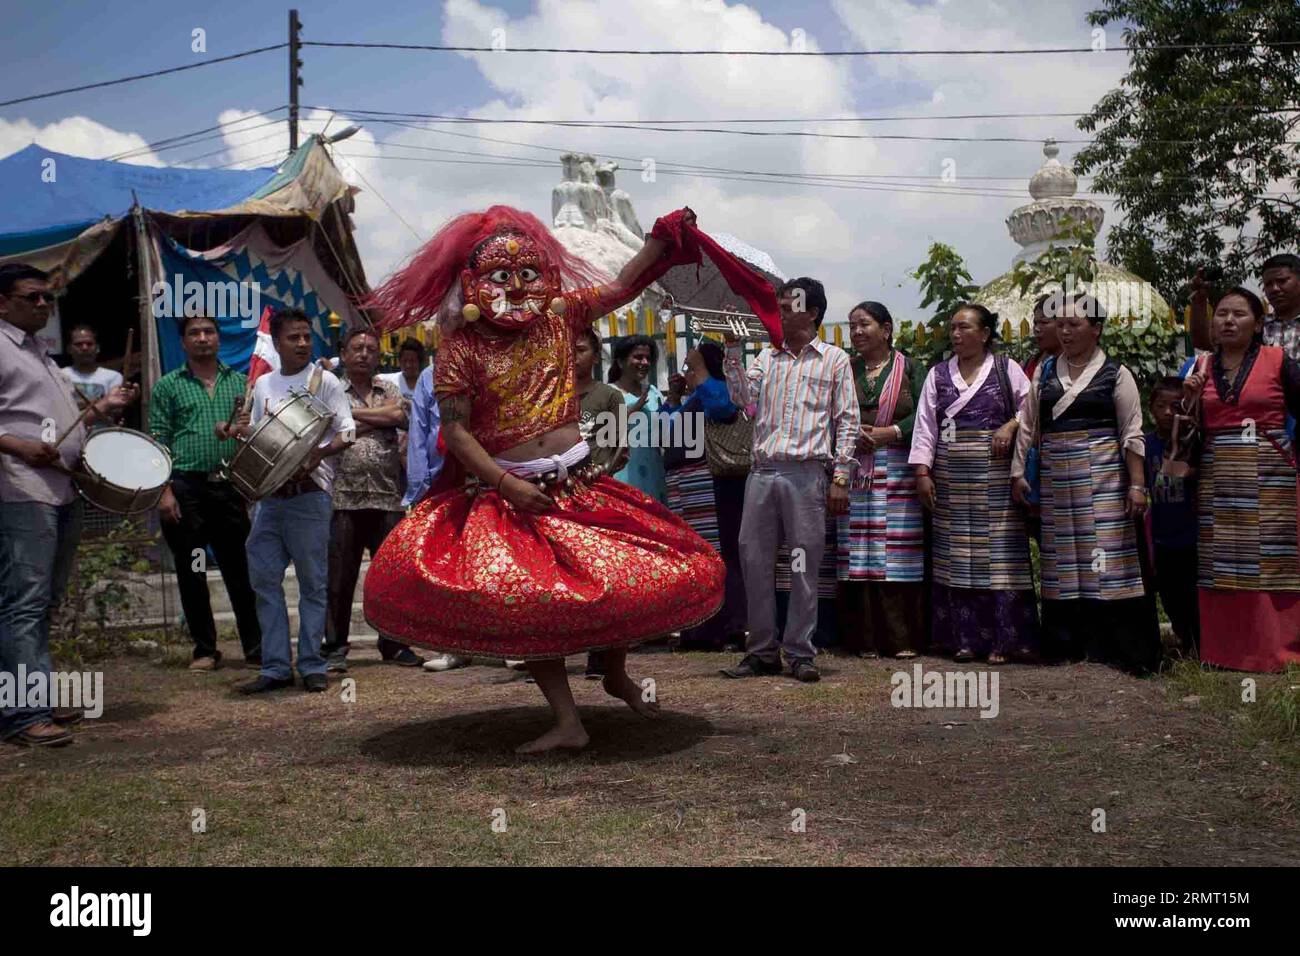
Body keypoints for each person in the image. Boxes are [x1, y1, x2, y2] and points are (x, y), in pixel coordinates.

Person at [361, 204, 728, 753]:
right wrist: (506, 485)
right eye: (500, 277)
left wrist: (661, 237)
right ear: (473, 283)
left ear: (546, 277)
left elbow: (624, 286)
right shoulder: (460, 345)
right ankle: (567, 721)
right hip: (511, 495)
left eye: (527, 274)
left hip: (578, 483)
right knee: (532, 600)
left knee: (625, 579)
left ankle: (616, 673)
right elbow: (457, 434)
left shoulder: (561, 317)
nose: (514, 286)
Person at [0, 263, 137, 747]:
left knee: (41, 602)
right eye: (32, 297)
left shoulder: (40, 353)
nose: (43, 305)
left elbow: (56, 415)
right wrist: (16, 446)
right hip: (21, 490)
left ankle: (28, 696)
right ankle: (23, 713)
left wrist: (101, 409)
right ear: (2, 303)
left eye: (47, 298)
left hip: (59, 489)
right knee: (25, 603)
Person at [719, 277, 859, 683]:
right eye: (779, 303)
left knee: (803, 565)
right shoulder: (766, 356)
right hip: (762, 471)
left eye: (789, 303)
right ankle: (761, 650)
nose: (779, 310)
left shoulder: (833, 360)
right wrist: (732, 350)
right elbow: (743, 402)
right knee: (755, 561)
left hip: (807, 473)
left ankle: (799, 650)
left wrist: (842, 476)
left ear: (812, 312)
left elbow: (847, 420)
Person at [1012, 293, 1160, 674]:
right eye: (1059, 324)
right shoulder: (1044, 372)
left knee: (1107, 562)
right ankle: (1067, 645)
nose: (1064, 331)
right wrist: (1017, 473)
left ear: (1096, 329)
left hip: (1105, 481)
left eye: (1074, 324)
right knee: (1062, 564)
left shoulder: (1117, 373)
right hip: (1058, 481)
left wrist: (1137, 485)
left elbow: (1132, 432)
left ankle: (1118, 649)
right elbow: (1028, 424)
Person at [236, 308, 356, 694]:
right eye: (294, 337)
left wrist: (319, 455)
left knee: (313, 584)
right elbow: (259, 439)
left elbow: (348, 431)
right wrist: (241, 434)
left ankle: (311, 663)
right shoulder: (264, 386)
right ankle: (274, 667)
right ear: (277, 341)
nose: (303, 343)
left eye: (307, 336)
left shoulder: (326, 382)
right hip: (270, 499)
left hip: (309, 498)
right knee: (264, 579)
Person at [911, 303, 1037, 663]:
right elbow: (925, 427)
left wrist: (1011, 425)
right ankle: (962, 639)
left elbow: (1031, 409)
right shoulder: (937, 375)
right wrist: (923, 472)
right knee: (956, 557)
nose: (956, 334)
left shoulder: (1005, 369)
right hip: (951, 477)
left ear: (985, 334)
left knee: (999, 556)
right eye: (952, 328)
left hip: (996, 478)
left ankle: (1007, 640)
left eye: (964, 328)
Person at [1183, 287, 1300, 671]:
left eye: (1238, 314)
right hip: (1219, 477)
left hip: (1272, 474)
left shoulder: (1278, 360)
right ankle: (1225, 652)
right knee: (1223, 561)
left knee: (1273, 559)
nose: (1228, 321)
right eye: (1221, 314)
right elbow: (1185, 432)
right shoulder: (1199, 367)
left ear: (1258, 323)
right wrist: (1190, 400)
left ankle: (1278, 652)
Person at [150, 314, 262, 670]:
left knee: (240, 569)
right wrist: (164, 492)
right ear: (183, 342)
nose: (202, 338)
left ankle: (255, 647)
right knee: (193, 569)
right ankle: (204, 649)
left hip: (229, 488)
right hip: (186, 489)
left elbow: (252, 436)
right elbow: (158, 440)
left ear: (219, 338)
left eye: (208, 331)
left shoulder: (241, 383)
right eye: (194, 333)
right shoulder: (168, 385)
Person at [322, 326, 425, 672]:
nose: (364, 354)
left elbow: (399, 417)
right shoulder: (331, 388)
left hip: (387, 496)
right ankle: (335, 647)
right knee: (340, 577)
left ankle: (394, 644)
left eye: (370, 348)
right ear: (344, 353)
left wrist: (349, 418)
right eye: (357, 348)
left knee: (389, 578)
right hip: (345, 498)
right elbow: (330, 429)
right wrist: (373, 419)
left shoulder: (389, 387)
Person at [836, 301, 927, 659]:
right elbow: (832, 410)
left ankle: (901, 639)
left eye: (864, 325)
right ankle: (864, 640)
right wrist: (850, 431)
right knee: (859, 553)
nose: (857, 332)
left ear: (887, 330)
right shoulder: (846, 370)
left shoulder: (911, 369)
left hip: (899, 469)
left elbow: (926, 414)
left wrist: (892, 431)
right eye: (852, 326)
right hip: (855, 468)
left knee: (897, 553)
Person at [663, 340, 746, 650]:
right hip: (683, 481)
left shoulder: (719, 388)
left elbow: (724, 410)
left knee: (718, 553)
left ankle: (728, 627)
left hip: (707, 480)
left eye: (692, 366)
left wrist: (700, 374)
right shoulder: (693, 396)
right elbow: (665, 429)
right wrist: (673, 398)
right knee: (695, 555)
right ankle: (698, 628)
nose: (687, 372)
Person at [575, 325, 628, 679]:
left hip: (596, 494)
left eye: (579, 349)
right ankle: (552, 653)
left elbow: (620, 451)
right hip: (556, 493)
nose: (572, 356)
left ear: (595, 356)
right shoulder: (548, 395)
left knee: (600, 572)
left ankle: (601, 655)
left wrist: (600, 470)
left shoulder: (609, 397)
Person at [1141, 376, 1200, 656]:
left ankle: (1198, 643)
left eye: (1175, 406)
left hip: (1192, 534)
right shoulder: (1146, 445)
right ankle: (1182, 636)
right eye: (1161, 405)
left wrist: (1185, 471)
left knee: (1192, 592)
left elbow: (1200, 472)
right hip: (1161, 536)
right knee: (1169, 592)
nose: (1168, 412)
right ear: (1150, 408)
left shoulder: (1192, 440)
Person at [1189, 254, 1300, 359]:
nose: (1275, 289)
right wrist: (1199, 298)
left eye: (1282, 281)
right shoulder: (1255, 326)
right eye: (1268, 284)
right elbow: (1202, 342)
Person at [609, 334, 667, 503]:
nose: (645, 363)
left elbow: (663, 437)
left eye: (648, 358)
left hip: (654, 473)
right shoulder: (608, 394)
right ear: (620, 362)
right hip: (623, 473)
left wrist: (674, 402)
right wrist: (632, 410)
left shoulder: (653, 392)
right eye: (638, 357)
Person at [62, 325, 123, 430]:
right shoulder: (60, 375)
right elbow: (60, 411)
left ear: (97, 348)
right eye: (78, 344)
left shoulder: (113, 377)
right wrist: (103, 403)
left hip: (103, 436)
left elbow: (117, 410)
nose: (84, 348)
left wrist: (77, 406)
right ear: (69, 349)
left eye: (89, 344)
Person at [378, 338, 424, 404]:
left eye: (412, 361)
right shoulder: (388, 380)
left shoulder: (427, 384)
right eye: (405, 361)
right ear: (399, 361)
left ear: (419, 361)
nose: (408, 365)